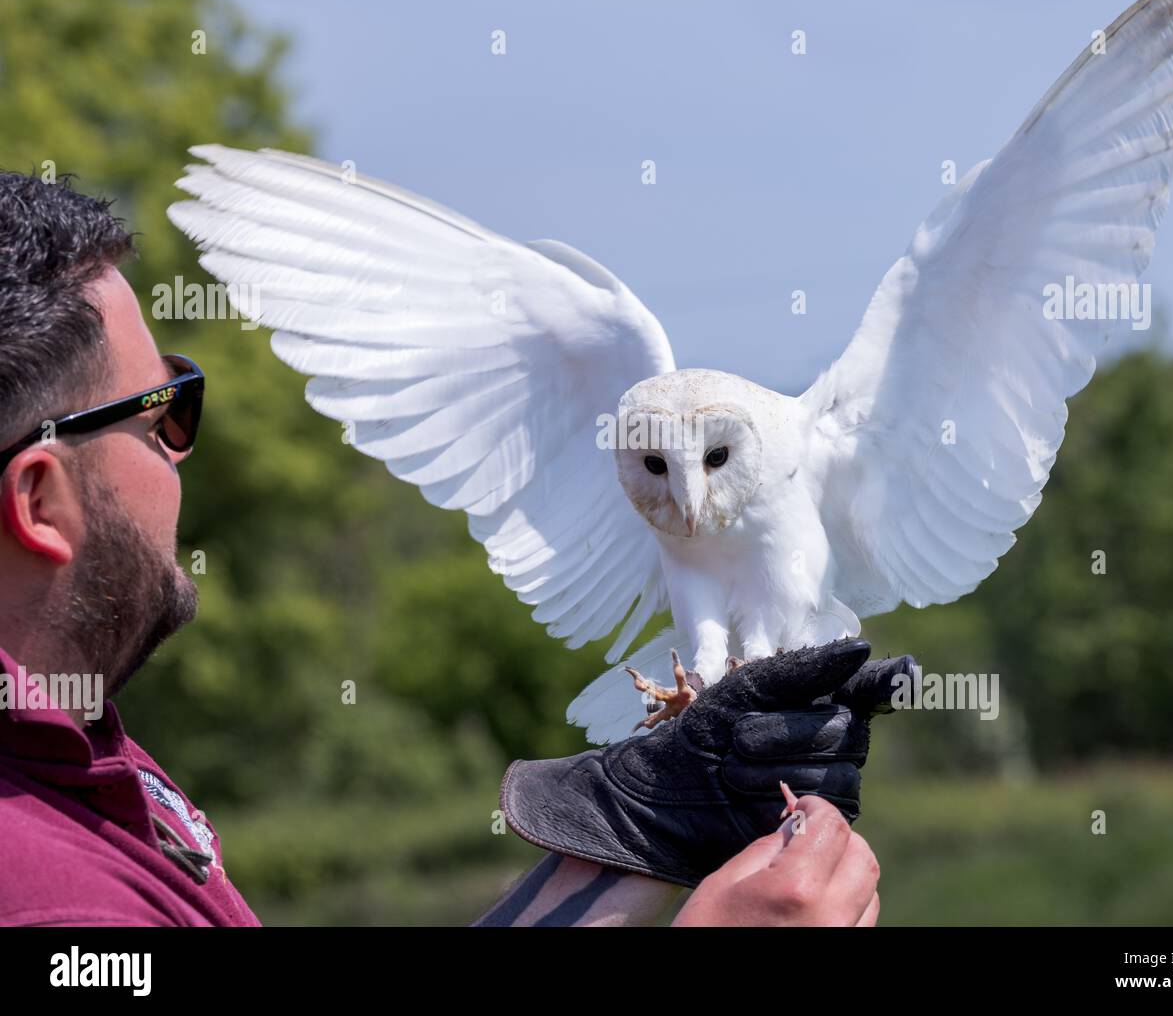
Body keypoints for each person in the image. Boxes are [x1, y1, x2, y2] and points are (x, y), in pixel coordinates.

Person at [0, 171, 891, 927]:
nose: (180, 447)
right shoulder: (51, 890)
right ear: (40, 498)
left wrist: (641, 828)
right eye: (164, 412)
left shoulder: (76, 773)